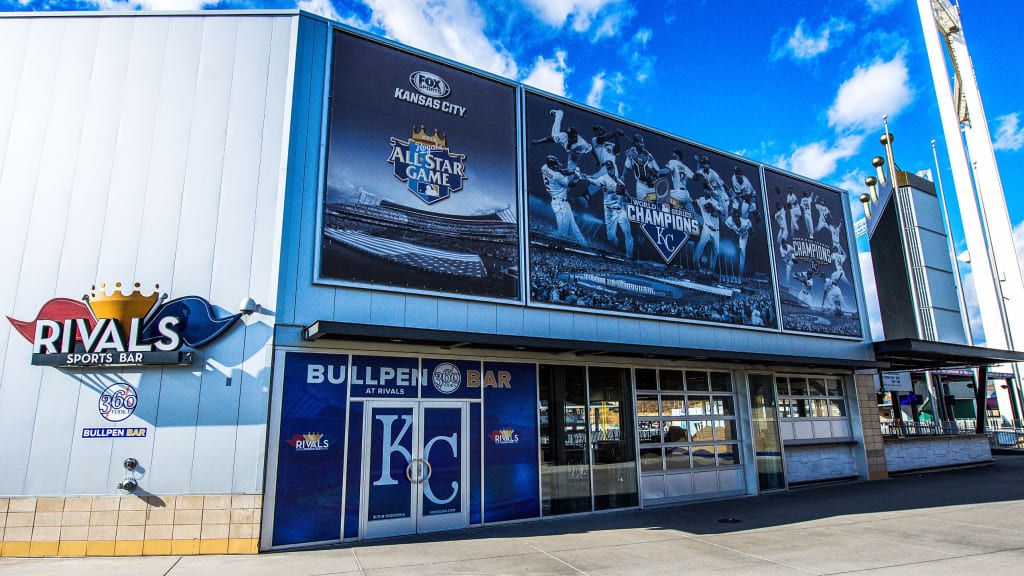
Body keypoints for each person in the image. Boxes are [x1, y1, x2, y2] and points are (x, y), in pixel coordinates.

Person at [585, 160, 633, 258]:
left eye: (612, 168)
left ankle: (629, 256)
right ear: (607, 169)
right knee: (610, 237)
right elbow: (595, 182)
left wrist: (627, 196)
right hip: (610, 211)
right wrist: (586, 178)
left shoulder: (620, 182)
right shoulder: (604, 179)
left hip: (620, 210)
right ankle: (615, 241)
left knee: (628, 232)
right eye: (609, 168)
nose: (610, 170)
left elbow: (627, 199)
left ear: (614, 169)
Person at [541, 155, 588, 246]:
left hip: (562, 202)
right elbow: (572, 184)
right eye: (555, 165)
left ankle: (584, 245)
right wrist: (580, 178)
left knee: (573, 226)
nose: (557, 166)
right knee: (563, 233)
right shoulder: (556, 176)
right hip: (560, 203)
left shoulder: (544, 167)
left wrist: (573, 172)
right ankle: (550, 244)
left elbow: (561, 171)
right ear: (551, 166)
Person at [623, 134, 659, 199]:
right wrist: (623, 177)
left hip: (651, 185)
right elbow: (627, 168)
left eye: (642, 142)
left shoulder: (649, 155)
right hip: (640, 185)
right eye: (640, 142)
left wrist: (653, 175)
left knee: (653, 206)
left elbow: (657, 170)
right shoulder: (631, 154)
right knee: (640, 205)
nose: (642, 144)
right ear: (635, 143)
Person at [694, 194, 721, 274]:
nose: (708, 192)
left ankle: (711, 270)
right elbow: (694, 202)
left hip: (715, 230)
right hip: (707, 228)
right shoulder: (701, 200)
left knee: (716, 250)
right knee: (701, 246)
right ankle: (696, 266)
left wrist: (714, 209)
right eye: (706, 190)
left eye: (709, 190)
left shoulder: (715, 202)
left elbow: (718, 212)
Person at [724, 208, 753, 278]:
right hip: (736, 235)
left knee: (742, 252)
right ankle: (732, 272)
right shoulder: (729, 221)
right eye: (734, 216)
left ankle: (741, 274)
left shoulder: (745, 223)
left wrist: (753, 235)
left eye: (737, 216)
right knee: (734, 251)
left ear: (739, 216)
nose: (735, 218)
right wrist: (736, 245)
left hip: (744, 235)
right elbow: (731, 235)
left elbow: (751, 229)